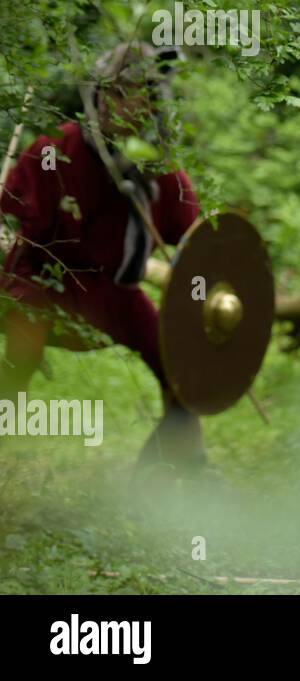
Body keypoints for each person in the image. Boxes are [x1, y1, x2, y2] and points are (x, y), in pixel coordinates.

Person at [1, 42, 204, 468]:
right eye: (113, 92)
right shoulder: (54, 151)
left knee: (182, 374)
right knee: (23, 345)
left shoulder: (162, 174)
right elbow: (14, 213)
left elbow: (193, 247)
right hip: (43, 280)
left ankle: (176, 470)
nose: (122, 104)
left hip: (113, 292)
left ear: (152, 103)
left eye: (134, 93)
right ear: (97, 95)